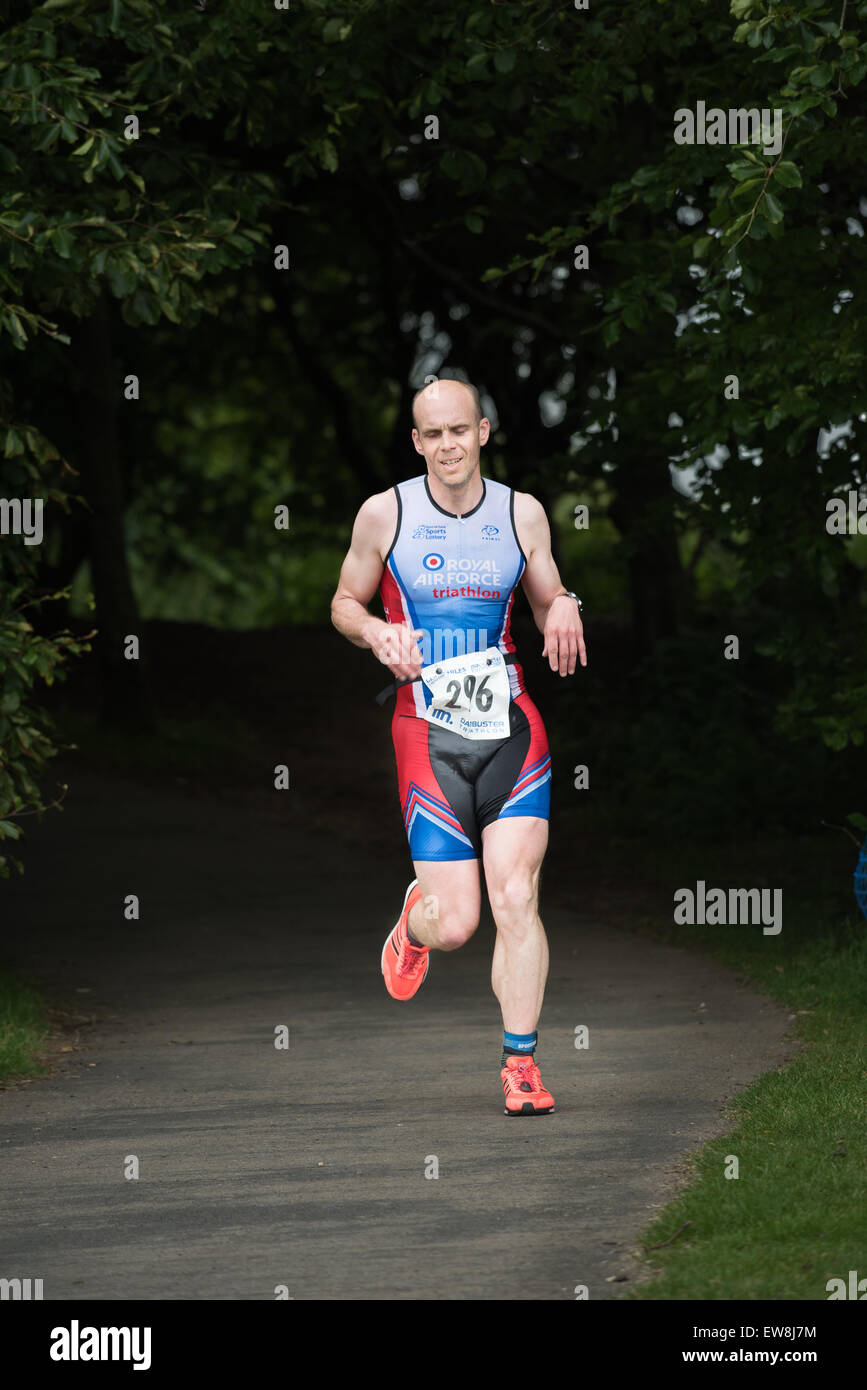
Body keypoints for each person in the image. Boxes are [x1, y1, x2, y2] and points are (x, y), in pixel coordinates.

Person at [330, 377, 586, 1114]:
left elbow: (547, 596)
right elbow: (344, 601)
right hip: (426, 735)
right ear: (417, 442)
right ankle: (416, 921)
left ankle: (521, 1065)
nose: (446, 445)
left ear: (481, 432)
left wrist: (563, 605)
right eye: (431, 434)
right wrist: (375, 630)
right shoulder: (386, 514)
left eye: (458, 430)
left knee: (516, 897)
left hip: (511, 728)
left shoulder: (520, 513)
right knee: (460, 924)